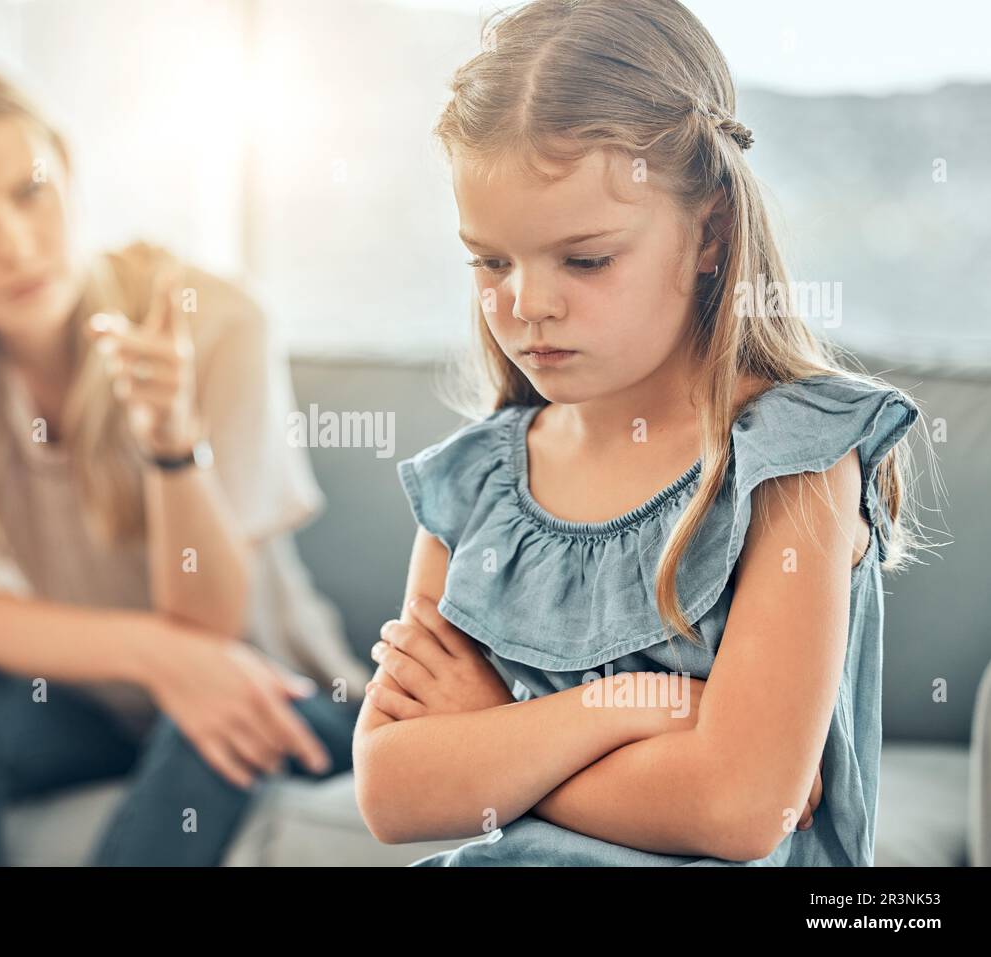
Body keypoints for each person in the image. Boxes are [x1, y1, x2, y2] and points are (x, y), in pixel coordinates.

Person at [352, 0, 929, 866]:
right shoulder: (475, 484)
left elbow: (738, 807)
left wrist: (492, 738)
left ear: (710, 233)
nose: (526, 304)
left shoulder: (792, 459)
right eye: (490, 260)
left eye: (585, 260)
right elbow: (393, 793)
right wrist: (625, 710)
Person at [0, 55, 370, 866]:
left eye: (30, 192)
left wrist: (169, 443)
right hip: (94, 707)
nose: (14, 246)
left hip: (273, 684)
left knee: (213, 723)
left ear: (71, 172)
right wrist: (153, 656)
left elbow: (211, 629)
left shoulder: (215, 317)